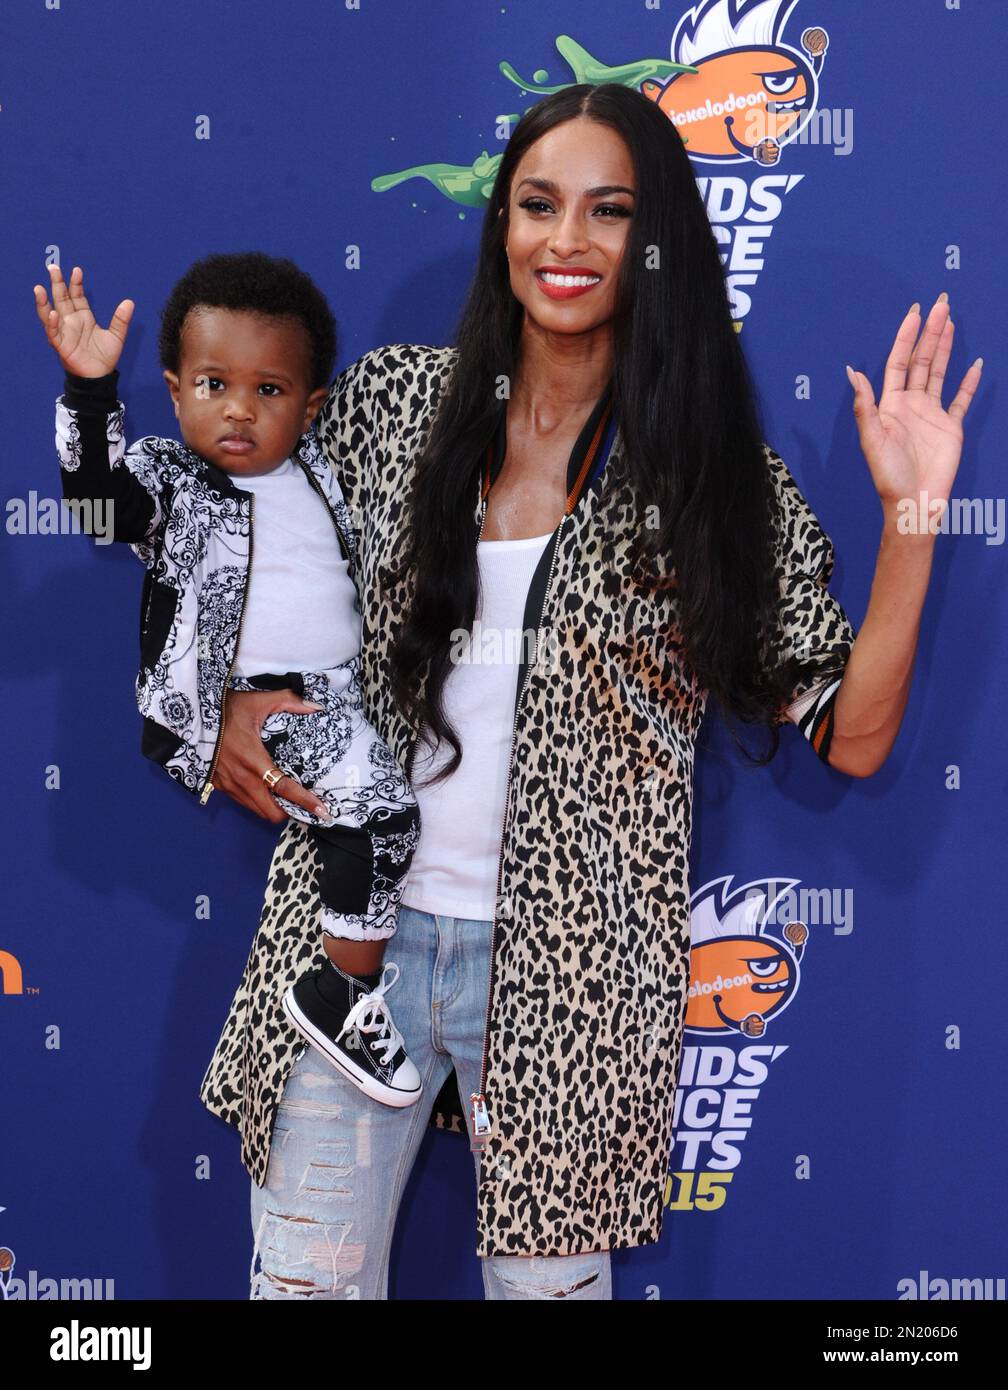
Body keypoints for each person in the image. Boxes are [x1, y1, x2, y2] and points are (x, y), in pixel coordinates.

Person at [198, 83, 981, 1299]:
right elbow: (241, 535)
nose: (565, 242)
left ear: (658, 236)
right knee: (302, 1290)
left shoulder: (712, 478)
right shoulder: (395, 406)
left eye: (608, 211)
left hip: (579, 974)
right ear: (501, 224)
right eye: (537, 205)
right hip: (353, 949)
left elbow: (856, 732)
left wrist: (913, 514)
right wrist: (223, 699)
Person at [35, 252, 430, 1110]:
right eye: (213, 384)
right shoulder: (173, 484)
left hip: (342, 698)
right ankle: (342, 991)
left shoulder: (323, 477)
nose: (239, 410)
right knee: (381, 809)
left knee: (389, 825)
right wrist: (93, 391)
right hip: (269, 705)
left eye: (270, 390)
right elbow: (98, 501)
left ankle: (365, 988)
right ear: (174, 394)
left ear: (311, 405)